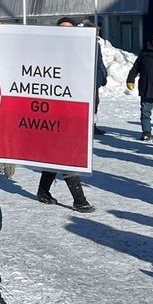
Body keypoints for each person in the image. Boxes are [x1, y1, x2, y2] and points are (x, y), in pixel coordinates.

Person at [35, 18, 96, 213]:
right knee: (64, 151)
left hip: (74, 108)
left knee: (56, 152)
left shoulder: (83, 50)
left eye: (70, 29)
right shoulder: (47, 51)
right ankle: (79, 199)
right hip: (52, 109)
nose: (66, 33)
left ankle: (43, 190)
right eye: (62, 29)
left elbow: (94, 74)